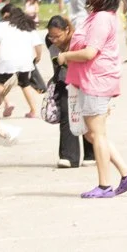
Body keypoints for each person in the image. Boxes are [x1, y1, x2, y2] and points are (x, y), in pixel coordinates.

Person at [57, 0, 127, 198]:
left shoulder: (103, 18)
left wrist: (65, 56)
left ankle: (104, 186)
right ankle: (126, 173)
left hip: (96, 81)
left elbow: (90, 53)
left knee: (97, 134)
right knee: (92, 134)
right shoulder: (97, 16)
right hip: (91, 80)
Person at [46, 16, 94, 169]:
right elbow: (56, 63)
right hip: (64, 81)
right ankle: (68, 156)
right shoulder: (49, 42)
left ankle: (91, 155)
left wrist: (67, 57)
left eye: (57, 36)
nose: (54, 40)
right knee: (68, 114)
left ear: (67, 30)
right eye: (50, 36)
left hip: (83, 80)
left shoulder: (78, 40)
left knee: (87, 115)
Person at [0, 10, 45, 119]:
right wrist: (38, 56)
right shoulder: (27, 25)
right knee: (25, 84)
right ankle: (33, 110)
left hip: (7, 61)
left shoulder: (1, 25)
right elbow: (38, 44)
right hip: (25, 61)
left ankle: (8, 103)